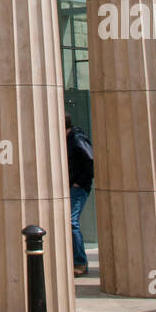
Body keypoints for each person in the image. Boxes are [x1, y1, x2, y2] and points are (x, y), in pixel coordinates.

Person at [65, 113, 94, 277]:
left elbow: (90, 161)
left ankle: (80, 262)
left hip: (78, 187)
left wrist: (80, 182)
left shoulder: (77, 140)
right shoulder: (68, 140)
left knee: (71, 222)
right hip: (70, 186)